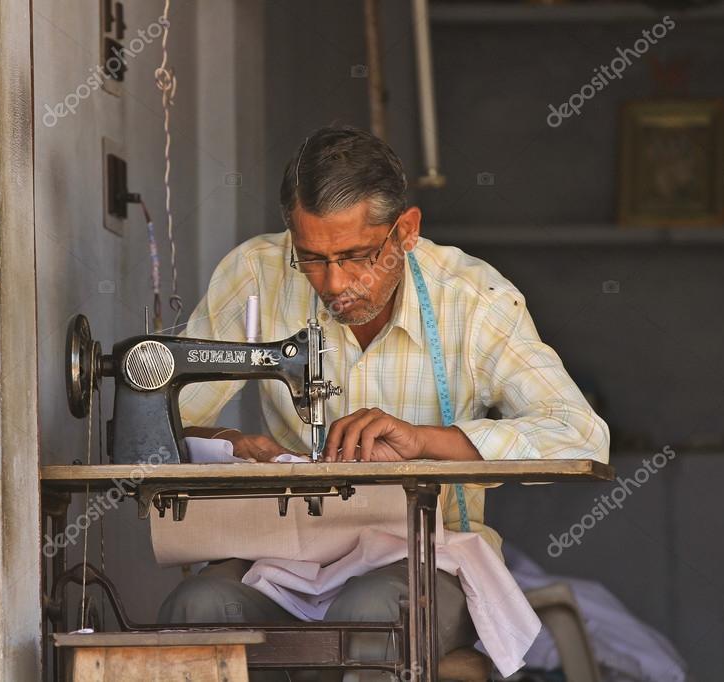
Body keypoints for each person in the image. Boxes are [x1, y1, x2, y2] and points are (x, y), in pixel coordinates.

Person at [159, 125, 610, 681]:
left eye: (355, 256)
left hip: (429, 555)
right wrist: (232, 446)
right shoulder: (258, 275)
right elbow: (167, 419)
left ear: (406, 231)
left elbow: (580, 433)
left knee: (370, 616)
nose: (334, 282)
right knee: (195, 610)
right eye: (313, 259)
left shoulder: (473, 300)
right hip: (292, 557)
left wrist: (426, 442)